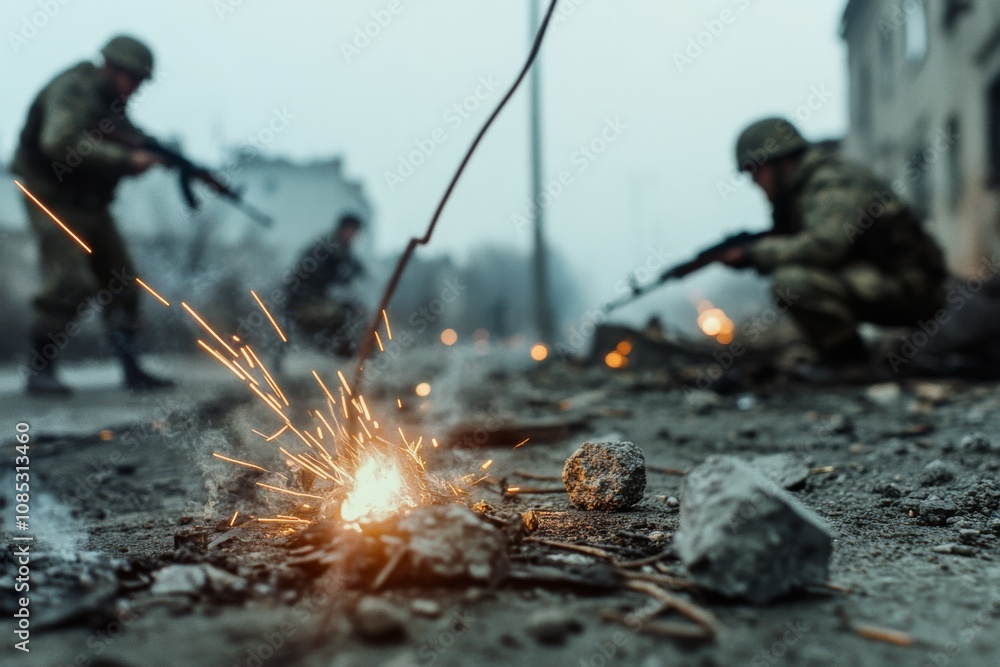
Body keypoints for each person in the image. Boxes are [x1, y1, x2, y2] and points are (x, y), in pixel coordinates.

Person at [720, 117, 947, 375]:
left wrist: (753, 254)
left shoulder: (832, 181)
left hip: (916, 290)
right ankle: (842, 357)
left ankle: (851, 362)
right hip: (883, 281)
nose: (754, 182)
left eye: (755, 171)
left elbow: (825, 246)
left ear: (781, 161)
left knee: (792, 282)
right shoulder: (800, 193)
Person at [13, 35, 173, 395]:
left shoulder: (110, 103)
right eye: (134, 79)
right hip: (50, 198)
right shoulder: (73, 90)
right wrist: (126, 160)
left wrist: (158, 152)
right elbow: (59, 142)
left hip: (92, 204)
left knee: (123, 282)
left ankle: (132, 369)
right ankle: (40, 370)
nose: (136, 89)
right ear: (114, 68)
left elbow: (128, 135)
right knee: (71, 281)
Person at [284, 214, 366, 356]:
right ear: (342, 229)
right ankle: (337, 356)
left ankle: (343, 356)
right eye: (351, 230)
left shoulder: (342, 249)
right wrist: (340, 276)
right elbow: (314, 276)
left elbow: (357, 270)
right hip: (302, 303)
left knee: (353, 311)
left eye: (356, 232)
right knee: (348, 314)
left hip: (317, 300)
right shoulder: (327, 247)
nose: (353, 235)